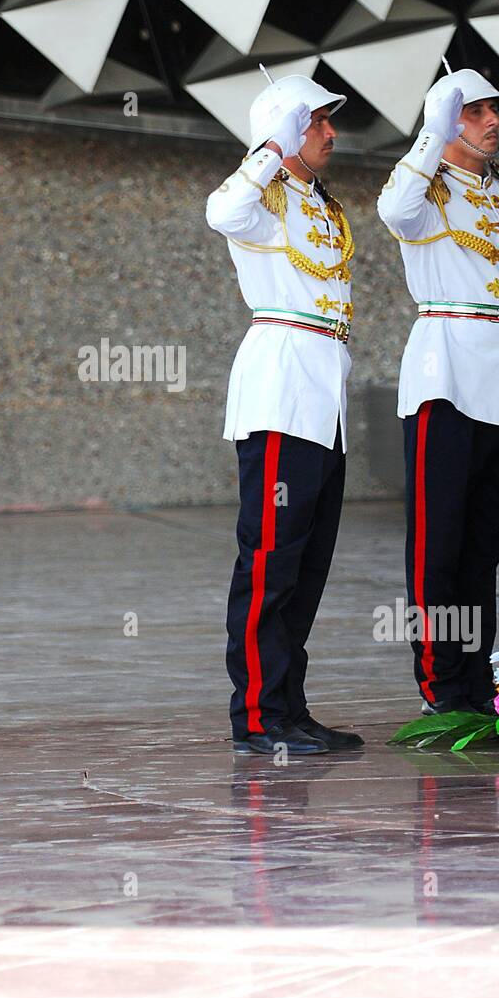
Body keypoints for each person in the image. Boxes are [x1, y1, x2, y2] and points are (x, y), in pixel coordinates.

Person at [206, 72, 363, 755]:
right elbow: (222, 211)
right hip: (280, 393)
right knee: (269, 560)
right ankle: (258, 716)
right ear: (288, 129)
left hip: (322, 395)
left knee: (307, 563)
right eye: (318, 121)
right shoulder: (258, 196)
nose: (331, 132)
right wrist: (272, 142)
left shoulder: (316, 201)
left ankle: (290, 707)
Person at [377, 67, 499, 715]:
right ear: (447, 119)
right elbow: (392, 209)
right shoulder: (424, 188)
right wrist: (433, 133)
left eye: (494, 108)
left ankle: (476, 680)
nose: (491, 120)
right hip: (448, 377)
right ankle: (441, 686)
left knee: (485, 541)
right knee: (438, 542)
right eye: (475, 111)